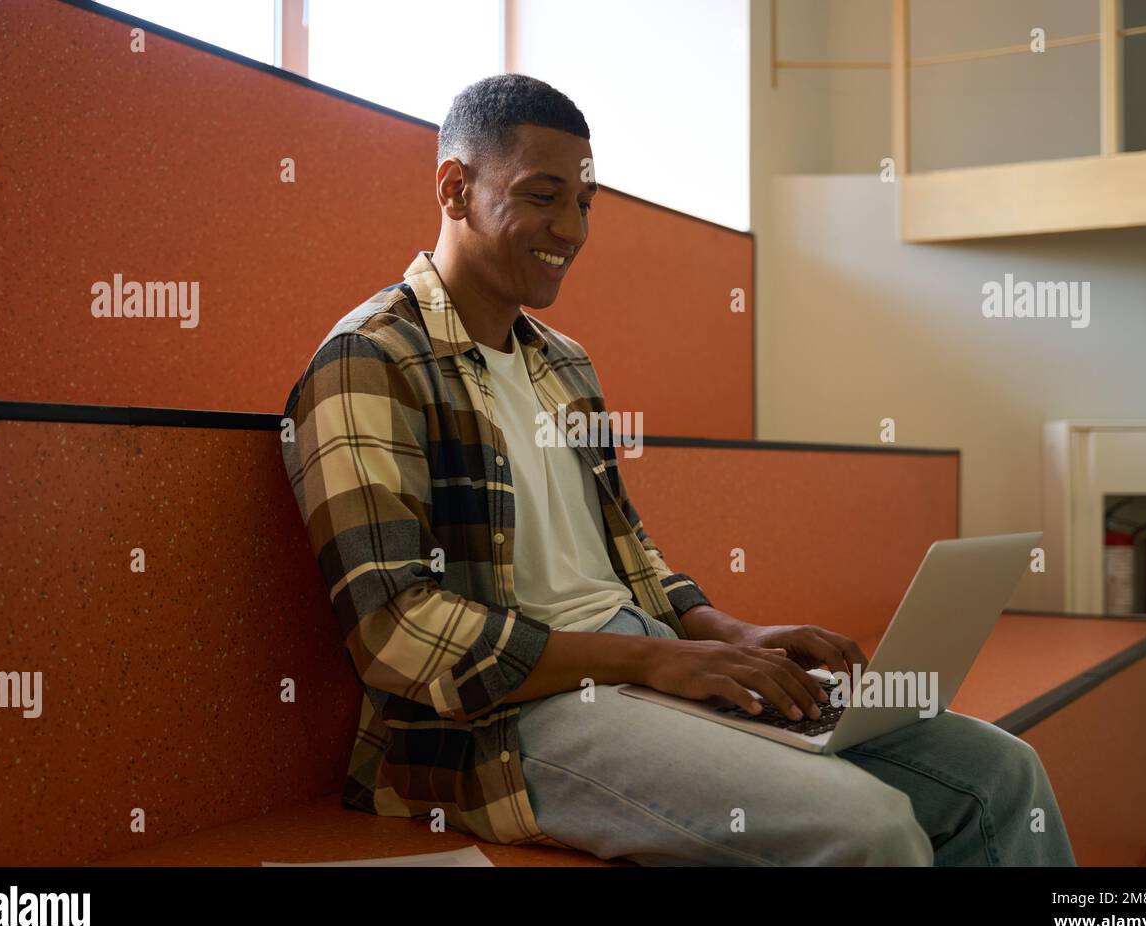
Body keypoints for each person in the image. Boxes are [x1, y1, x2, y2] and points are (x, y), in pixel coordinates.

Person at [280, 73, 1076, 866]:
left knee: (1002, 773)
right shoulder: (370, 360)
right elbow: (397, 631)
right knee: (866, 828)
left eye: (585, 204)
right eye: (544, 195)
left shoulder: (564, 365)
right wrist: (659, 658)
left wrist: (730, 634)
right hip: (503, 724)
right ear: (455, 188)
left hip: (642, 666)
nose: (573, 228)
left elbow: (630, 556)